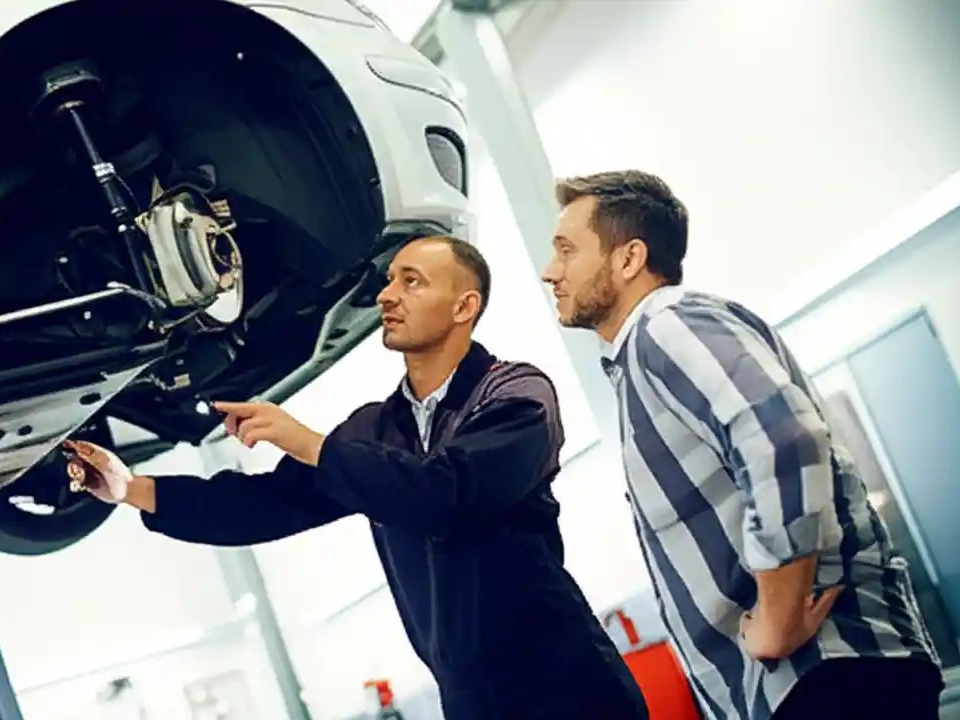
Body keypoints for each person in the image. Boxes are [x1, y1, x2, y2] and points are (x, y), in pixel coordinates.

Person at [63, 235, 649, 720]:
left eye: (412, 281)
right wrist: (132, 490)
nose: (388, 295)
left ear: (464, 306)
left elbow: (449, 494)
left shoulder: (515, 394)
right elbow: (268, 504)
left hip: (570, 690)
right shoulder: (376, 429)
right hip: (471, 703)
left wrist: (310, 443)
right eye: (390, 280)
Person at [540, 170, 944, 719]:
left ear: (629, 258)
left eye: (567, 250)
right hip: (806, 686)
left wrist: (777, 615)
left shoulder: (666, 325)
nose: (550, 272)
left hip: (827, 675)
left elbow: (783, 439)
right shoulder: (642, 361)